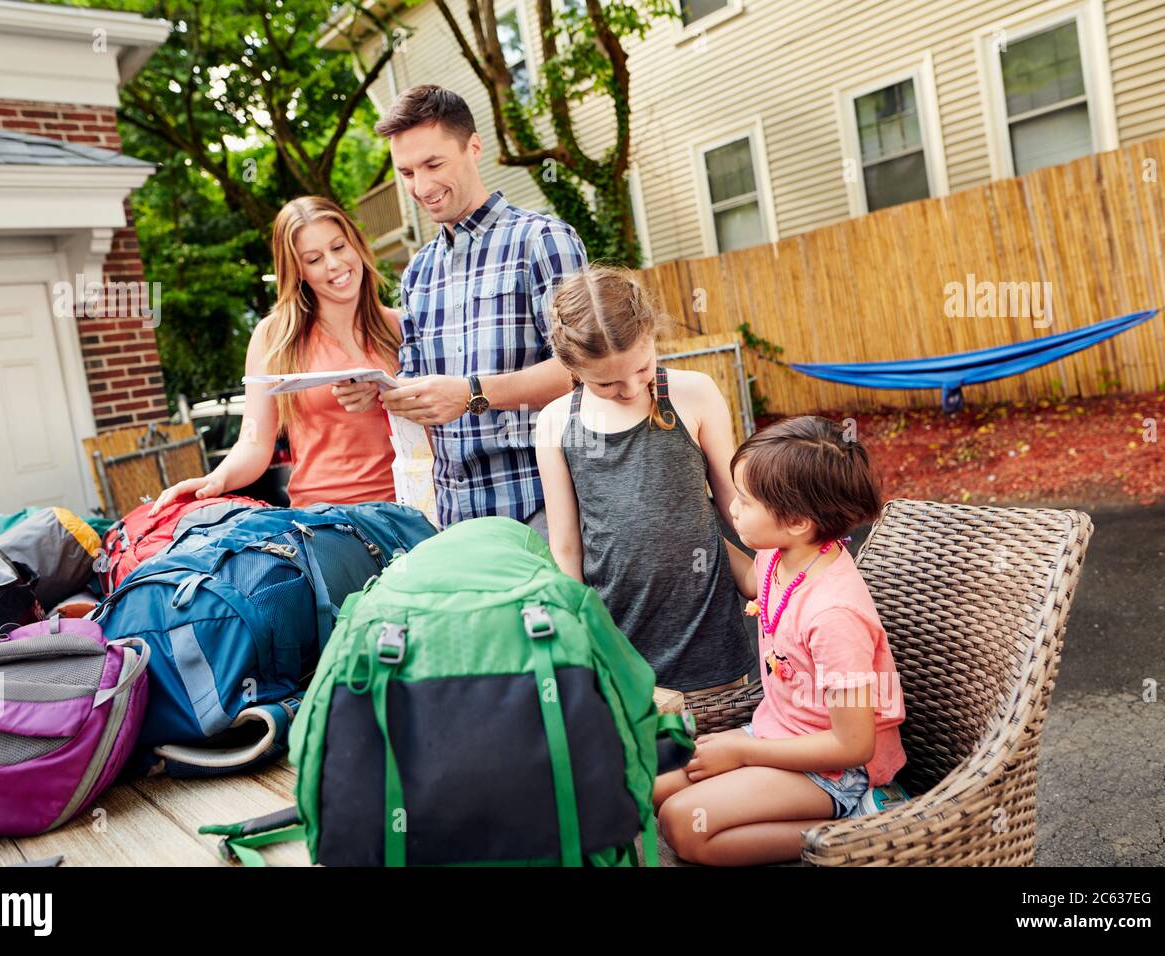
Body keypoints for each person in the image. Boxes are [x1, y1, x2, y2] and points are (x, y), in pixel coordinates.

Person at [653, 416, 907, 866]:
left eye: (745, 501)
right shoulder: (784, 554)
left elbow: (854, 745)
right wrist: (700, 534)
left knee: (683, 825)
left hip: (834, 770)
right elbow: (755, 581)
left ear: (795, 521)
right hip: (776, 733)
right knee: (657, 787)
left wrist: (743, 751)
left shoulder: (835, 616)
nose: (731, 507)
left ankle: (855, 829)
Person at [334, 85, 587, 537]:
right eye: (407, 172)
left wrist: (472, 392)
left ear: (473, 146)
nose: (422, 187)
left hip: (544, 503)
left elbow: (583, 371)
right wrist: (378, 392)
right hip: (452, 516)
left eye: (434, 164)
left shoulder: (543, 241)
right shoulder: (417, 273)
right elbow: (419, 386)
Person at [534, 265, 755, 693]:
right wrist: (586, 640)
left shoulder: (695, 394)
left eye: (642, 368)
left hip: (709, 638)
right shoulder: (555, 423)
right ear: (571, 365)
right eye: (607, 382)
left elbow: (737, 505)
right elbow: (565, 548)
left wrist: (776, 569)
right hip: (621, 638)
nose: (632, 389)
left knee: (723, 747)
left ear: (651, 336)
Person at [150, 196, 401, 517]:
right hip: (326, 521)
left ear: (356, 245)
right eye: (314, 259)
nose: (334, 264)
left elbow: (437, 417)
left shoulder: (398, 326)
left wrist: (389, 394)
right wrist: (216, 479)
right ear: (297, 271)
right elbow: (254, 442)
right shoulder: (275, 338)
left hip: (407, 510)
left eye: (339, 248)